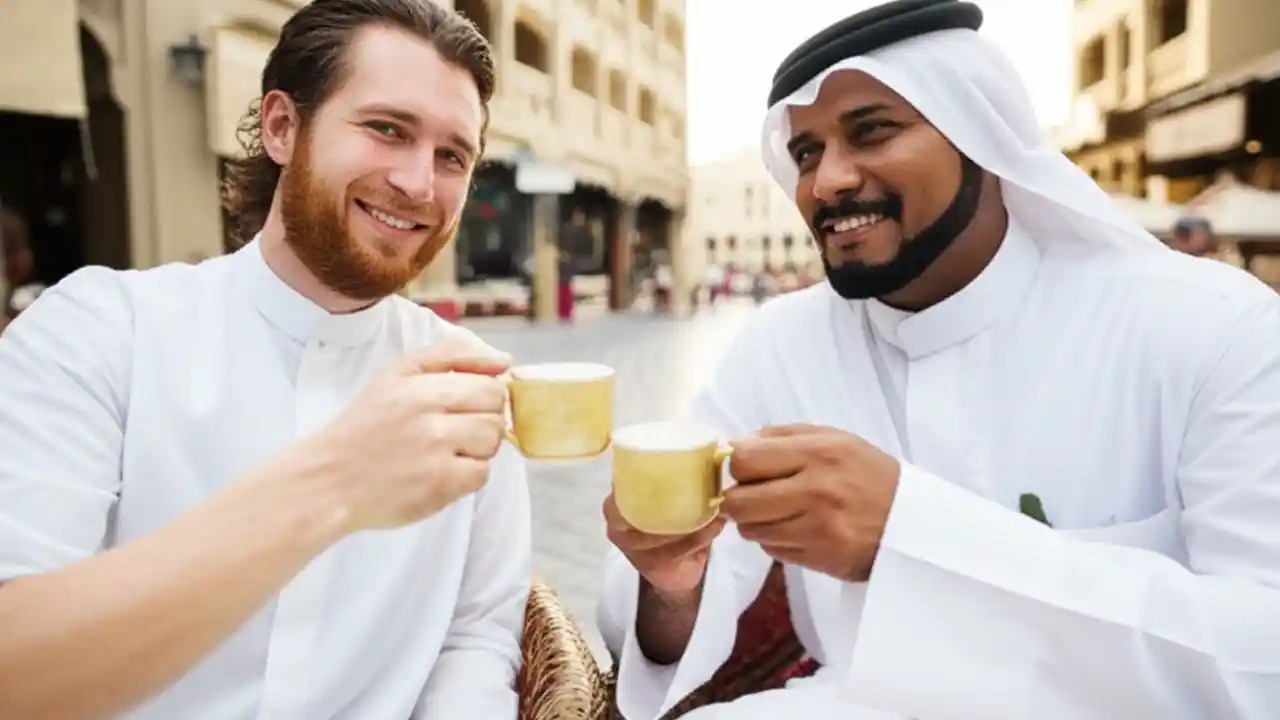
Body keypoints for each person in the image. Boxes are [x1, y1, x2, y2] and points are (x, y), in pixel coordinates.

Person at [597, 1, 1280, 718]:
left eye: (872, 132)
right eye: (806, 154)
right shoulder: (781, 345)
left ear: (982, 137)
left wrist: (906, 531)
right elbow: (654, 628)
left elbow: (1262, 657)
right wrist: (672, 584)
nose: (827, 180)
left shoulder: (1210, 326)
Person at [0, 2, 530, 718]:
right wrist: (335, 482)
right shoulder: (100, 332)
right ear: (282, 126)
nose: (419, 184)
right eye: (386, 129)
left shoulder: (474, 384)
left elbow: (475, 642)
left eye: (452, 156)